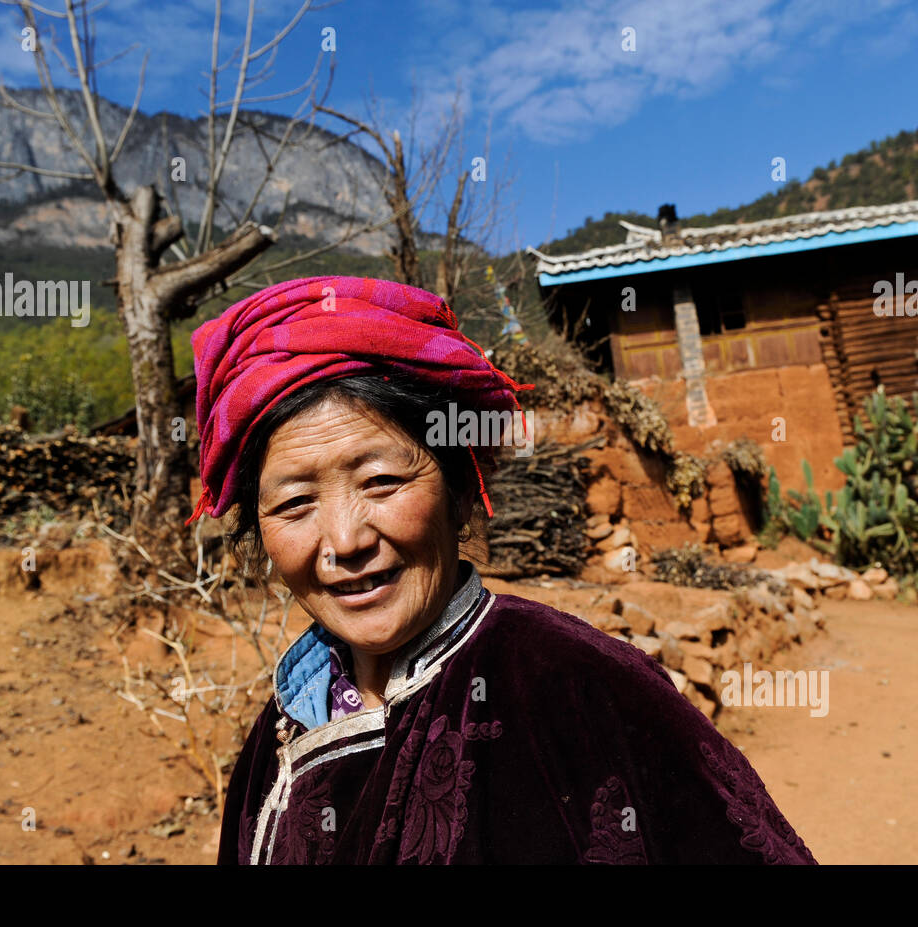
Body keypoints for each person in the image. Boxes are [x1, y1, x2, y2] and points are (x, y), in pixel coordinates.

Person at [189, 275, 817, 865]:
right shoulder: (274, 741)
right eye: (296, 504)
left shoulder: (579, 687)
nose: (346, 540)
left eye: (381, 482)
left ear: (462, 488)